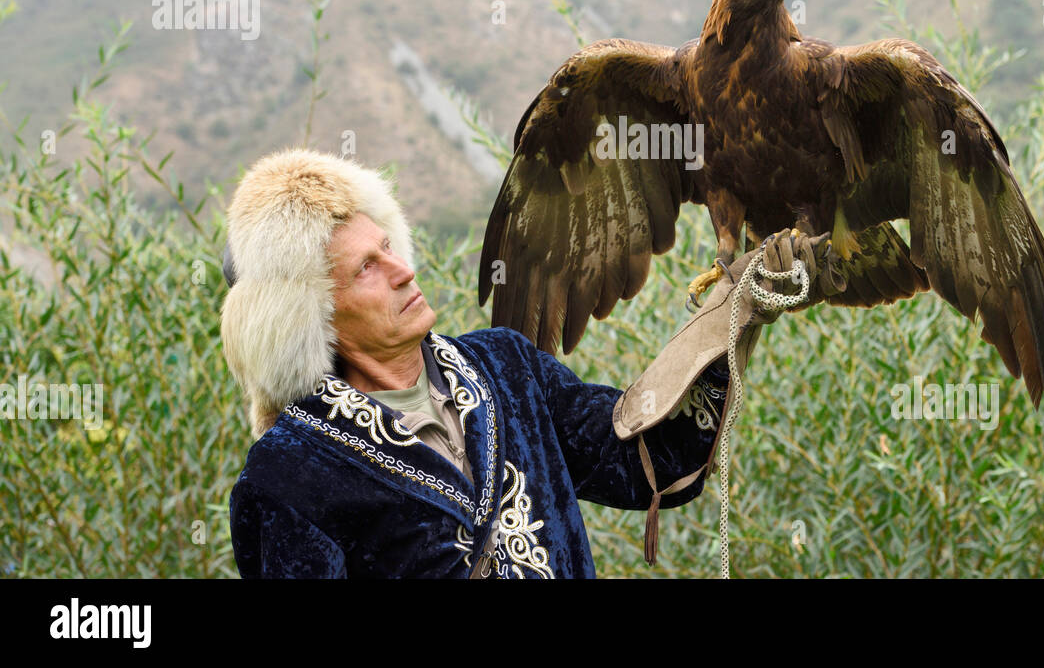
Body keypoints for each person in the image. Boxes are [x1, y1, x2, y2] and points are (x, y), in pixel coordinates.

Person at [220, 147, 840, 578]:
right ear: (314, 313)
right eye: (366, 268)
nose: (403, 269)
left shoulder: (506, 367)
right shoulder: (287, 479)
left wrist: (734, 314)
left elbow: (650, 462)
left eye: (387, 246)